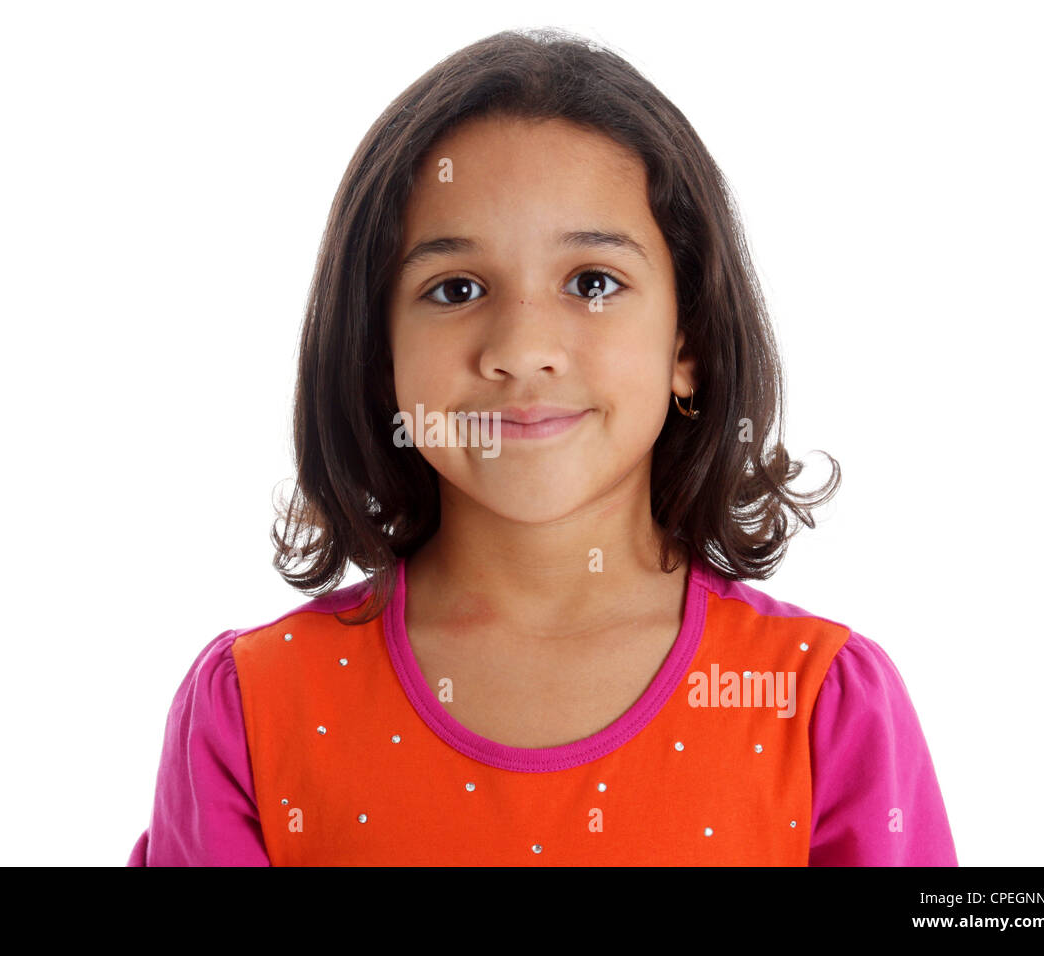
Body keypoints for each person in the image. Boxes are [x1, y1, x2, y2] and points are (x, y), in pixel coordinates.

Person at [127, 27, 956, 866]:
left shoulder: (821, 707)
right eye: (456, 289)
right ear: (380, 360)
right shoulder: (254, 712)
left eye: (593, 283)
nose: (522, 349)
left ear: (689, 344)